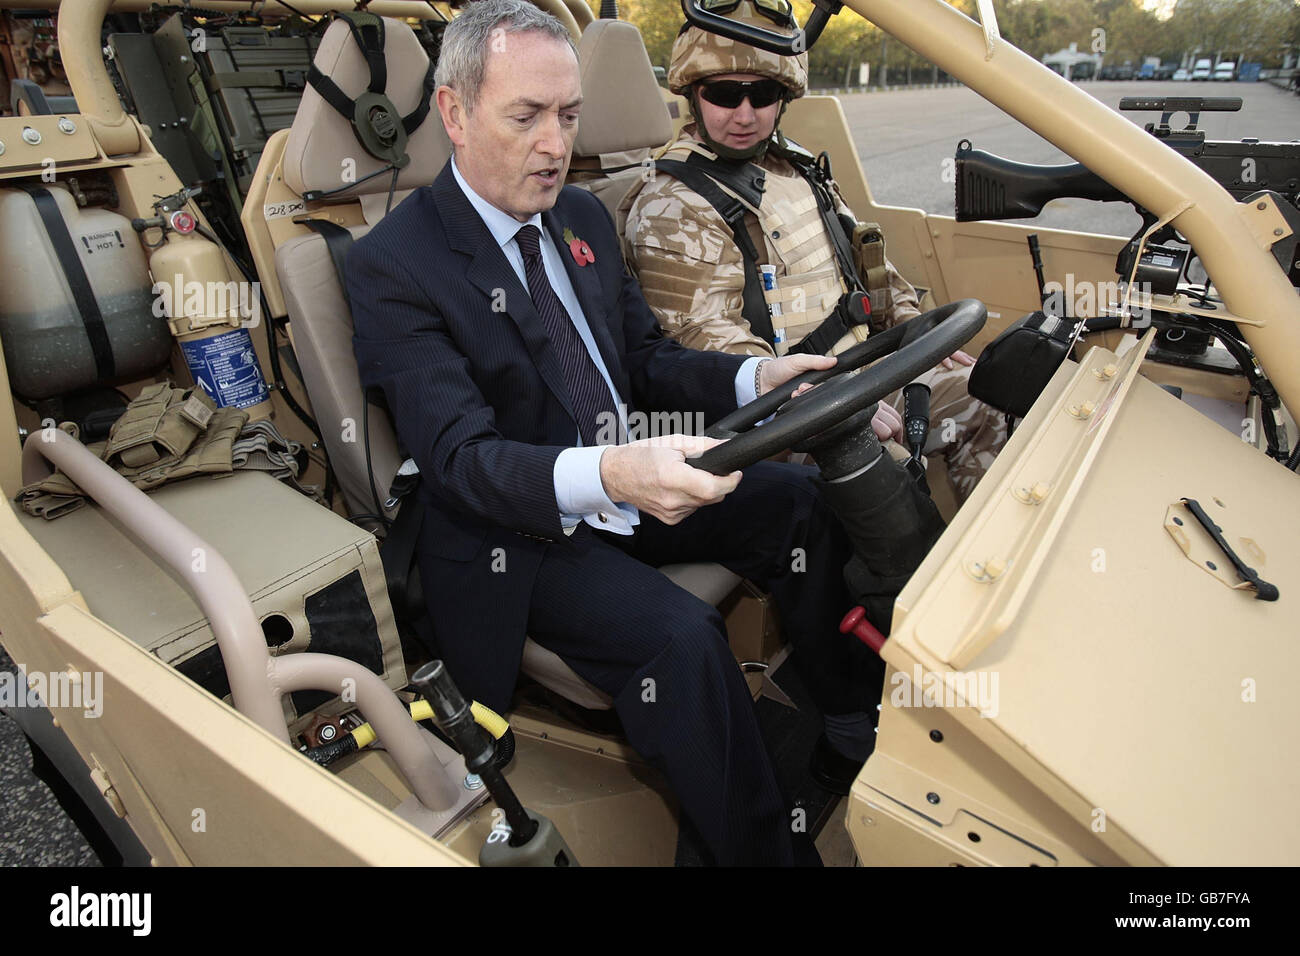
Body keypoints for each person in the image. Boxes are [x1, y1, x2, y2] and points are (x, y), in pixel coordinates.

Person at [348, 0, 896, 866]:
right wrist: (611, 473)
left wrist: (758, 375)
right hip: (521, 532)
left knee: (802, 502)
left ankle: (847, 719)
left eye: (567, 116)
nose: (554, 144)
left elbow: (641, 361)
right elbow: (463, 462)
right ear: (453, 113)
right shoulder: (392, 267)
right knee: (683, 642)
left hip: (633, 471)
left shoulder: (581, 219)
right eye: (524, 116)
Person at [622, 1, 1006, 503]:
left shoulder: (794, 167)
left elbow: (867, 266)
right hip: (780, 420)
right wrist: (830, 402)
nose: (744, 114)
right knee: (889, 486)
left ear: (784, 97)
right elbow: (709, 349)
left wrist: (919, 332)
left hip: (859, 376)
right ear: (693, 94)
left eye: (762, 94)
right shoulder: (671, 204)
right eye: (722, 94)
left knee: (994, 392)